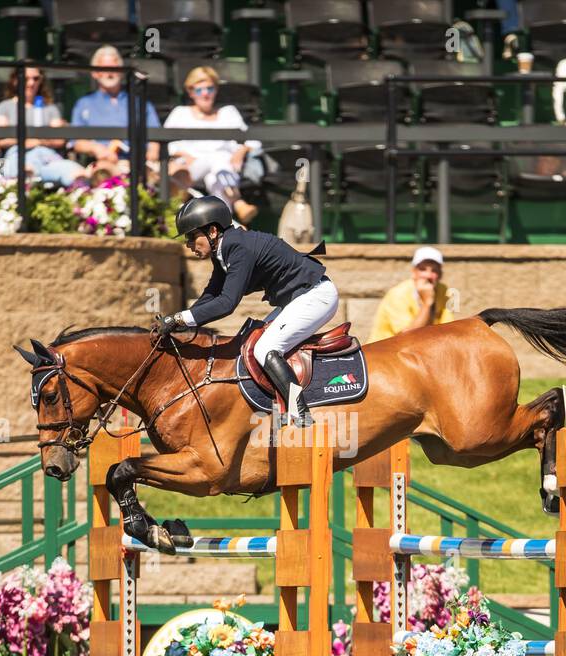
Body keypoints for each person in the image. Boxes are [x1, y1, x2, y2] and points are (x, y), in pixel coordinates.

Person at [153, 196, 337, 424]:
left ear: (212, 231)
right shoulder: (225, 248)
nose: (189, 244)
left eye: (192, 236)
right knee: (251, 343)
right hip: (300, 298)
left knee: (266, 348)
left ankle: (300, 415)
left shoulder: (237, 247)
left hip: (316, 296)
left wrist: (179, 318)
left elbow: (227, 303)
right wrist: (178, 323)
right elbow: (211, 294)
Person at [164, 67, 260, 223]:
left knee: (214, 174)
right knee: (218, 159)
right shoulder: (180, 113)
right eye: (199, 89)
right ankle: (236, 204)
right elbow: (167, 143)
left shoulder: (229, 112)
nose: (205, 93)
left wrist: (240, 153)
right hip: (191, 167)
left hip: (224, 168)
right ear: (190, 92)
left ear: (216, 90)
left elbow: (251, 141)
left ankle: (219, 225)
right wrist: (184, 155)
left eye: (210, 88)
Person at [69, 45, 161, 179]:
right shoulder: (84, 104)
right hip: (105, 164)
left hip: (140, 163)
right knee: (103, 172)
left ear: (121, 72)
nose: (110, 73)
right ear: (95, 73)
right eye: (105, 69)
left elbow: (155, 136)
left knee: (175, 172)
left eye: (114, 68)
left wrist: (152, 153)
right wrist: (96, 148)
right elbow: (76, 142)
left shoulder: (139, 102)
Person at [0, 67, 90, 187]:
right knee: (22, 170)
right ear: (15, 80)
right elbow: (2, 139)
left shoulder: (50, 108)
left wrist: (33, 141)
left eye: (36, 78)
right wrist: (37, 140)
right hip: (17, 156)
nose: (31, 83)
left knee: (77, 174)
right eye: (26, 78)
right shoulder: (4, 107)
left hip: (48, 159)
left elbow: (59, 140)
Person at [369, 247, 455, 342]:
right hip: (383, 351)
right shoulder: (398, 294)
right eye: (423, 269)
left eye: (434, 270)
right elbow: (406, 337)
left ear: (440, 275)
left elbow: (448, 328)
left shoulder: (444, 290)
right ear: (413, 272)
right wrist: (427, 303)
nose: (428, 275)